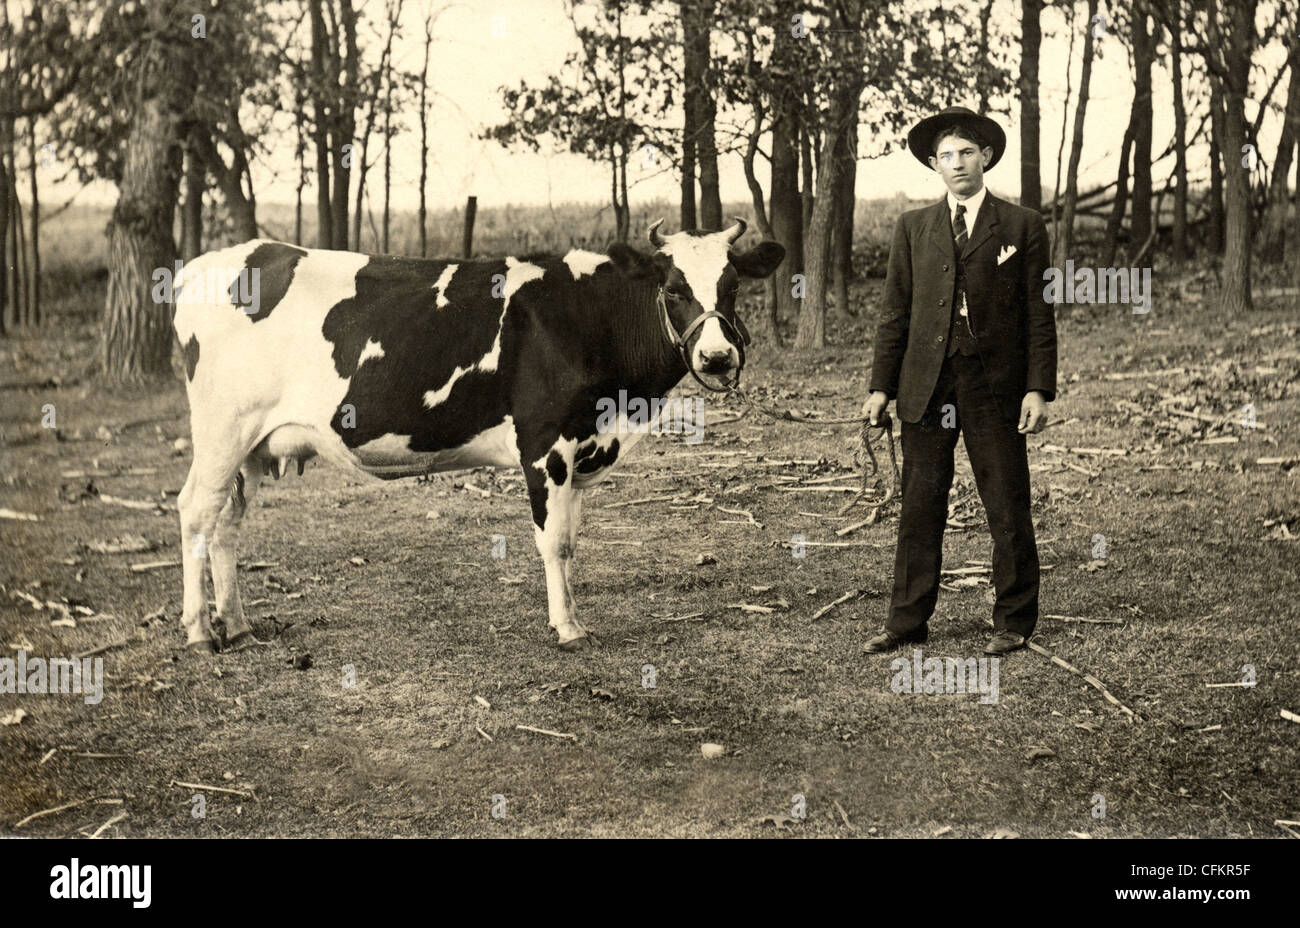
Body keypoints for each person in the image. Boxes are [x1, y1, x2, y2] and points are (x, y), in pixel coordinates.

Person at [862, 106, 1058, 656]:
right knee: (920, 502)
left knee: (1006, 499)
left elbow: (1041, 315)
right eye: (946, 156)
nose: (957, 164)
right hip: (925, 385)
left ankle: (1014, 620)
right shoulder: (913, 227)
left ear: (986, 157)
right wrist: (882, 387)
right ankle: (906, 622)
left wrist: (1038, 388)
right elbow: (893, 312)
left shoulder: (1022, 225)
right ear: (933, 164)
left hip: (995, 386)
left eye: (967, 153)